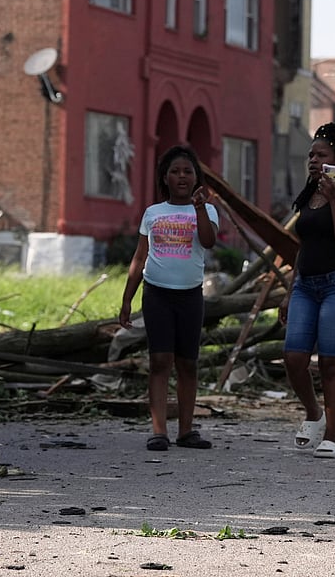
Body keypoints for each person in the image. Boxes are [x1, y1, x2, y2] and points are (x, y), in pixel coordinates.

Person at [120, 144, 219, 452]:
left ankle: (186, 431)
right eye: (175, 171)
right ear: (165, 178)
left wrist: (200, 209)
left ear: (196, 177)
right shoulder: (153, 213)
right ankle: (159, 431)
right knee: (160, 361)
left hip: (190, 297)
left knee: (187, 363)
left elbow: (209, 241)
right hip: (156, 295)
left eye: (188, 171)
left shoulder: (207, 210)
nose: (182, 177)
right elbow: (139, 258)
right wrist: (127, 299)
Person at [280, 122, 335, 459]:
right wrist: (290, 291)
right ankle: (314, 413)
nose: (314, 160)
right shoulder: (307, 194)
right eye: (311, 155)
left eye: (321, 155)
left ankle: (332, 434)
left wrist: (334, 199)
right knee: (293, 358)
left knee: (330, 361)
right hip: (305, 286)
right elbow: (303, 248)